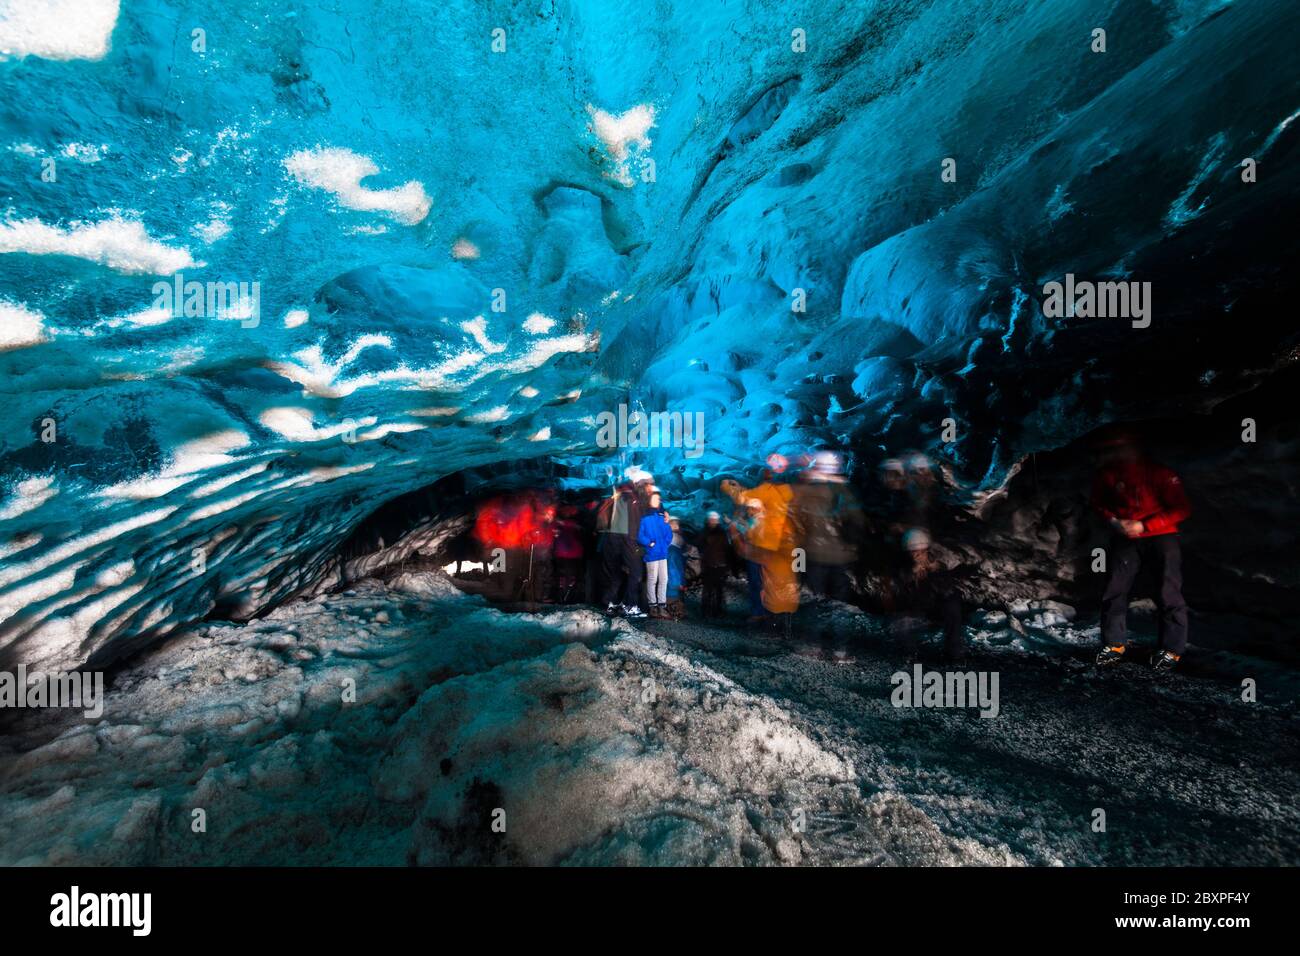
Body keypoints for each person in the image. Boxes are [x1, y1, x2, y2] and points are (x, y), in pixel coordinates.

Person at [1090, 430, 1192, 670]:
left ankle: (1171, 649)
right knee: (1114, 589)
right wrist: (1115, 522)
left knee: (1169, 592)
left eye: (1120, 447)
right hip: (1125, 537)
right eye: (1112, 448)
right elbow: (1098, 503)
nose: (1116, 453)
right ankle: (1114, 643)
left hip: (1162, 537)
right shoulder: (1108, 475)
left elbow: (1181, 508)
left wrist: (1145, 525)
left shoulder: (1160, 473)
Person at [721, 469, 802, 625]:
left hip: (763, 551)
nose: (752, 511)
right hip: (769, 550)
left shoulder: (765, 507)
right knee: (765, 581)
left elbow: (744, 499)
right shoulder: (779, 502)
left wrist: (729, 487)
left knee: (761, 582)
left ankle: (764, 612)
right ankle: (768, 611)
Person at [795, 450, 865, 601]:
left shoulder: (806, 492)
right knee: (840, 595)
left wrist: (797, 567)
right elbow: (858, 521)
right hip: (842, 555)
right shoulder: (847, 492)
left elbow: (795, 526)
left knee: (814, 595)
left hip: (814, 554)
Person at [887, 528, 966, 660]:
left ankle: (953, 652)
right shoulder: (900, 569)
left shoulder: (936, 566)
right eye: (914, 552)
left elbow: (948, 591)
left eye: (921, 552)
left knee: (952, 606)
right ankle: (909, 654)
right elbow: (898, 595)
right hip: (911, 610)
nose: (917, 556)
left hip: (933, 609)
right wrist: (911, 575)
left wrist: (934, 574)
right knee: (902, 623)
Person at [595, 470, 647, 618]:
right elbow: (635, 524)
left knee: (615, 574)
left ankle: (611, 603)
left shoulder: (613, 498)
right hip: (627, 540)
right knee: (635, 572)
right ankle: (630, 605)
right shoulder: (632, 499)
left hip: (611, 540)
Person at [637, 492, 673, 618]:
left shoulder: (662, 517)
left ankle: (661, 606)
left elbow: (669, 533)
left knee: (664, 579)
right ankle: (653, 606)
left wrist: (665, 543)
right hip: (651, 553)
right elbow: (640, 535)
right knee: (652, 579)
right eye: (654, 498)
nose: (657, 501)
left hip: (662, 553)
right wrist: (649, 543)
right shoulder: (644, 518)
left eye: (658, 499)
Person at [698, 510, 731, 618]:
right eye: (711, 520)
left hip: (718, 564)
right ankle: (708, 610)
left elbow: (726, 549)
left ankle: (716, 610)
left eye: (714, 520)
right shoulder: (706, 532)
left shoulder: (720, 533)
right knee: (709, 588)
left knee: (717, 589)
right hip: (710, 564)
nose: (713, 521)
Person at [552, 504, 585, 603]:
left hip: (567, 553)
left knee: (567, 576)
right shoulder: (576, 519)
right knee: (568, 577)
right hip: (569, 553)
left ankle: (566, 598)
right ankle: (565, 598)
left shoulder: (560, 521)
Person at [665, 517, 687, 619]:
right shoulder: (674, 552)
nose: (677, 527)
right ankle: (674, 614)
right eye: (674, 524)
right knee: (674, 603)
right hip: (672, 588)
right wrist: (678, 584)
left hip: (670, 586)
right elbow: (673, 569)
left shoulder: (672, 549)